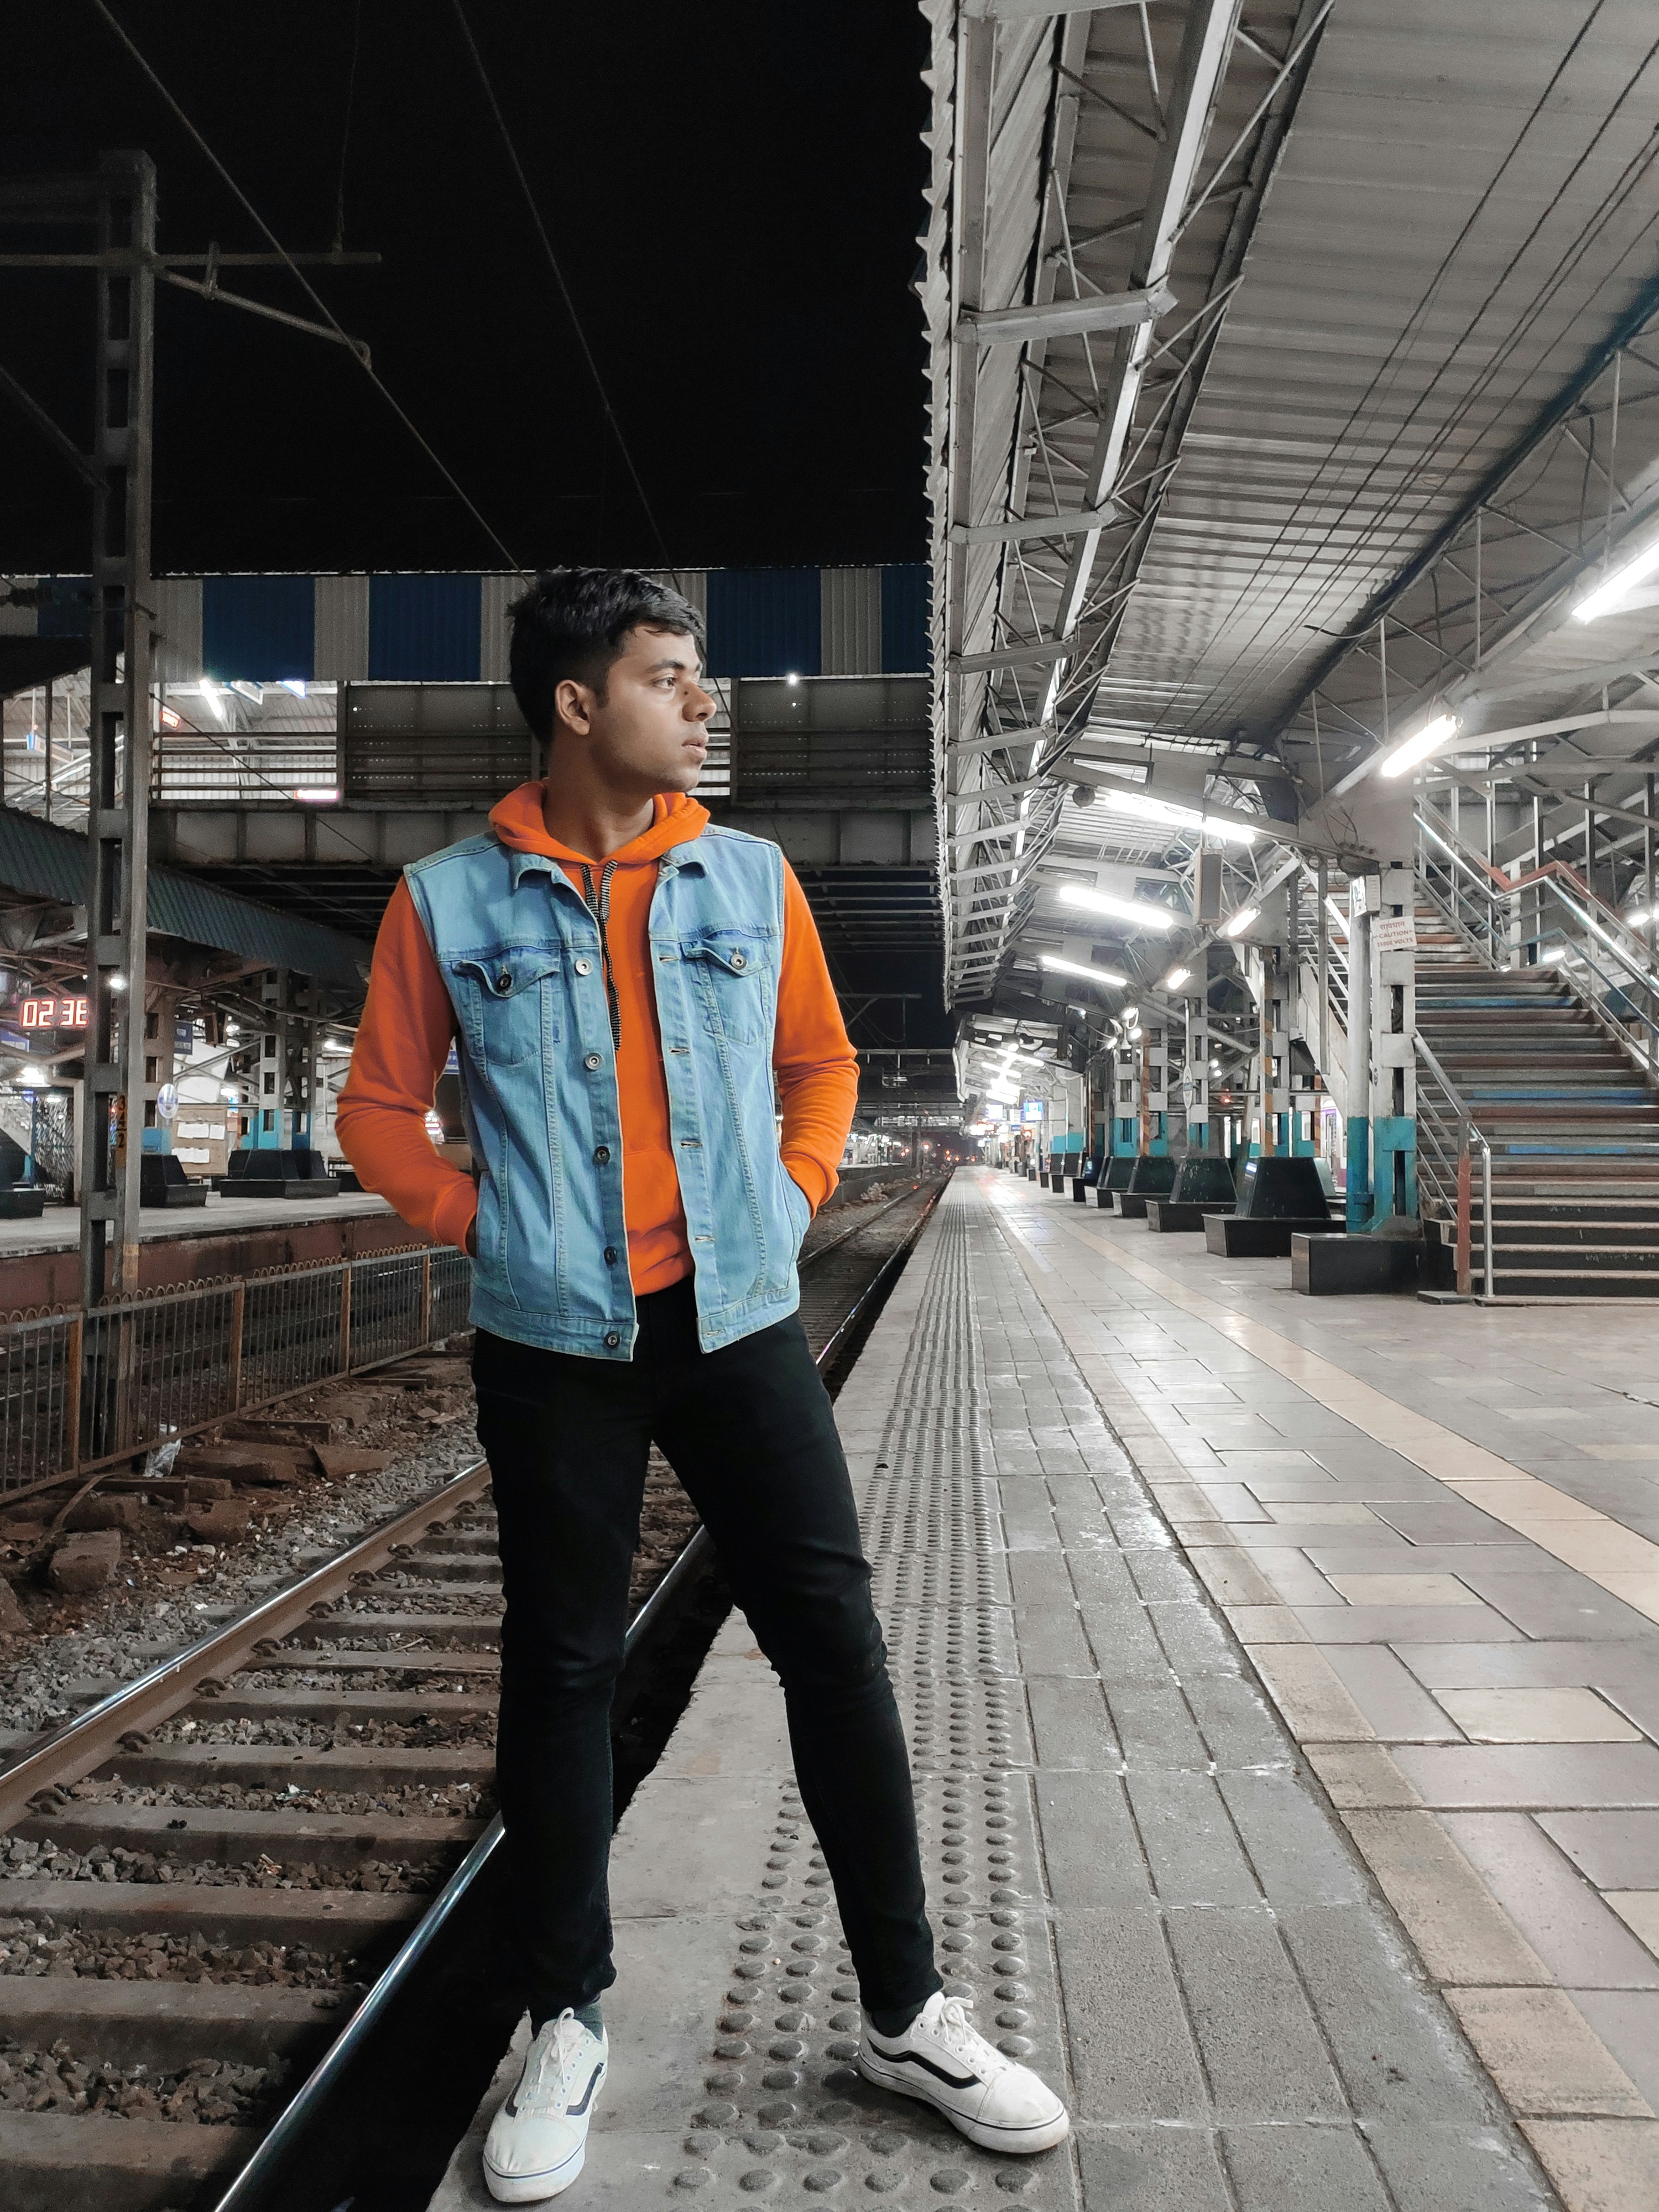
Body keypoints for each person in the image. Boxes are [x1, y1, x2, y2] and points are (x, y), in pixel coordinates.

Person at [337, 567, 1068, 2202]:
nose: (702, 700)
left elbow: (819, 1060)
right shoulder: (447, 901)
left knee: (837, 1640)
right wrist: (488, 1220)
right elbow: (381, 1111)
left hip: (738, 1323)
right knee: (563, 1665)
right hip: (553, 1343)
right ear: (580, 704)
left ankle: (905, 2005)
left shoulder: (747, 876)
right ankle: (568, 2016)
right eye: (671, 677)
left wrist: (802, 1192)